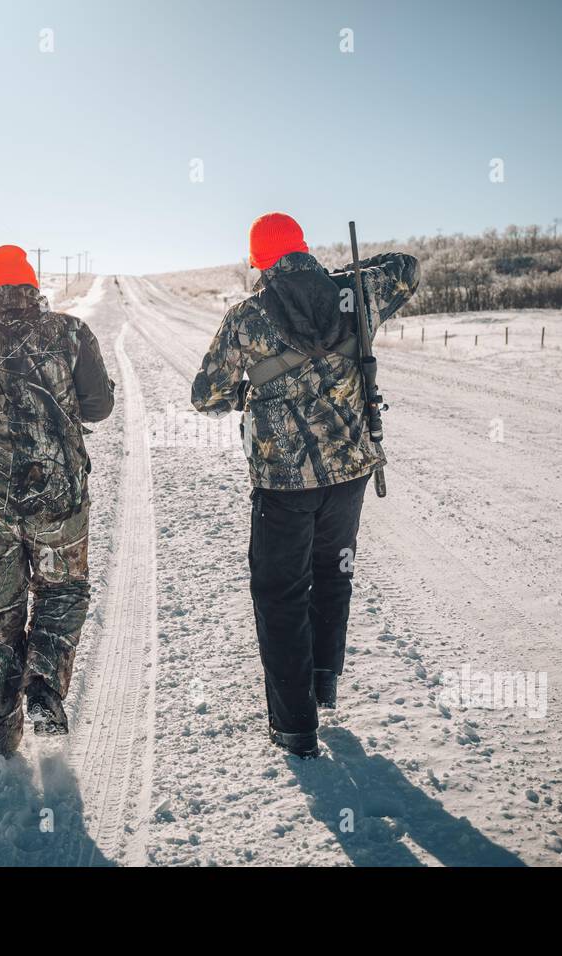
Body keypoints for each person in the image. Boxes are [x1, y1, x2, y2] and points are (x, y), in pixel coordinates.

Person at [191, 213, 420, 758]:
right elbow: (408, 269)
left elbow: (206, 396)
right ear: (305, 249)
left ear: (260, 262)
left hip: (283, 484)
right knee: (331, 575)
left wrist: (245, 392)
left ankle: (295, 725)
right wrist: (342, 279)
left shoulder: (246, 318)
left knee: (280, 594)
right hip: (350, 475)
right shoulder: (353, 294)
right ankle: (324, 682)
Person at [0, 245, 115, 762]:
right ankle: (43, 685)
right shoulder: (70, 333)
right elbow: (99, 406)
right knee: (62, 593)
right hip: (57, 498)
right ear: (32, 285)